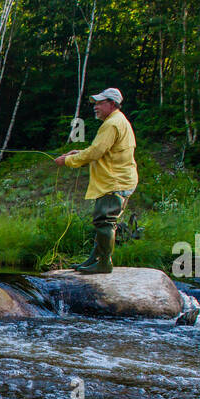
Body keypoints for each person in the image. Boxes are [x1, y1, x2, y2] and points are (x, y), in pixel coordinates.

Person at [54, 87, 138, 274]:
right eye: (95, 103)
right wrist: (79, 154)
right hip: (119, 180)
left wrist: (67, 160)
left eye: (100, 103)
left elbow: (96, 152)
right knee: (103, 221)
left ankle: (104, 263)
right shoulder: (117, 121)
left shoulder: (112, 124)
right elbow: (100, 150)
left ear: (112, 104)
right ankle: (95, 259)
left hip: (115, 182)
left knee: (104, 221)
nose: (95, 107)